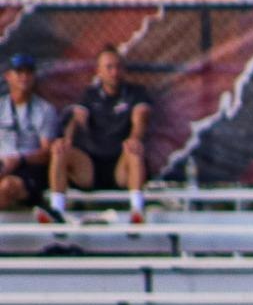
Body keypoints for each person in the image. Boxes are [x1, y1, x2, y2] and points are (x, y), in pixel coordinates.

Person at [48, 46, 151, 224]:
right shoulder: (89, 95)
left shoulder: (136, 93)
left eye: (118, 67)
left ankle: (137, 211)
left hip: (121, 165)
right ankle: (56, 212)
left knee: (135, 150)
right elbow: (76, 118)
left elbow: (140, 118)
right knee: (59, 151)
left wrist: (134, 138)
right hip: (90, 166)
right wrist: (67, 139)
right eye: (109, 67)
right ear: (99, 71)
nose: (114, 72)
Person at [0, 55, 60, 216]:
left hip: (28, 167)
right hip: (3, 162)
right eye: (19, 72)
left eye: (29, 73)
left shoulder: (44, 110)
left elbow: (46, 152)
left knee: (7, 186)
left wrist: (20, 159)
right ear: (8, 76)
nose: (24, 77)